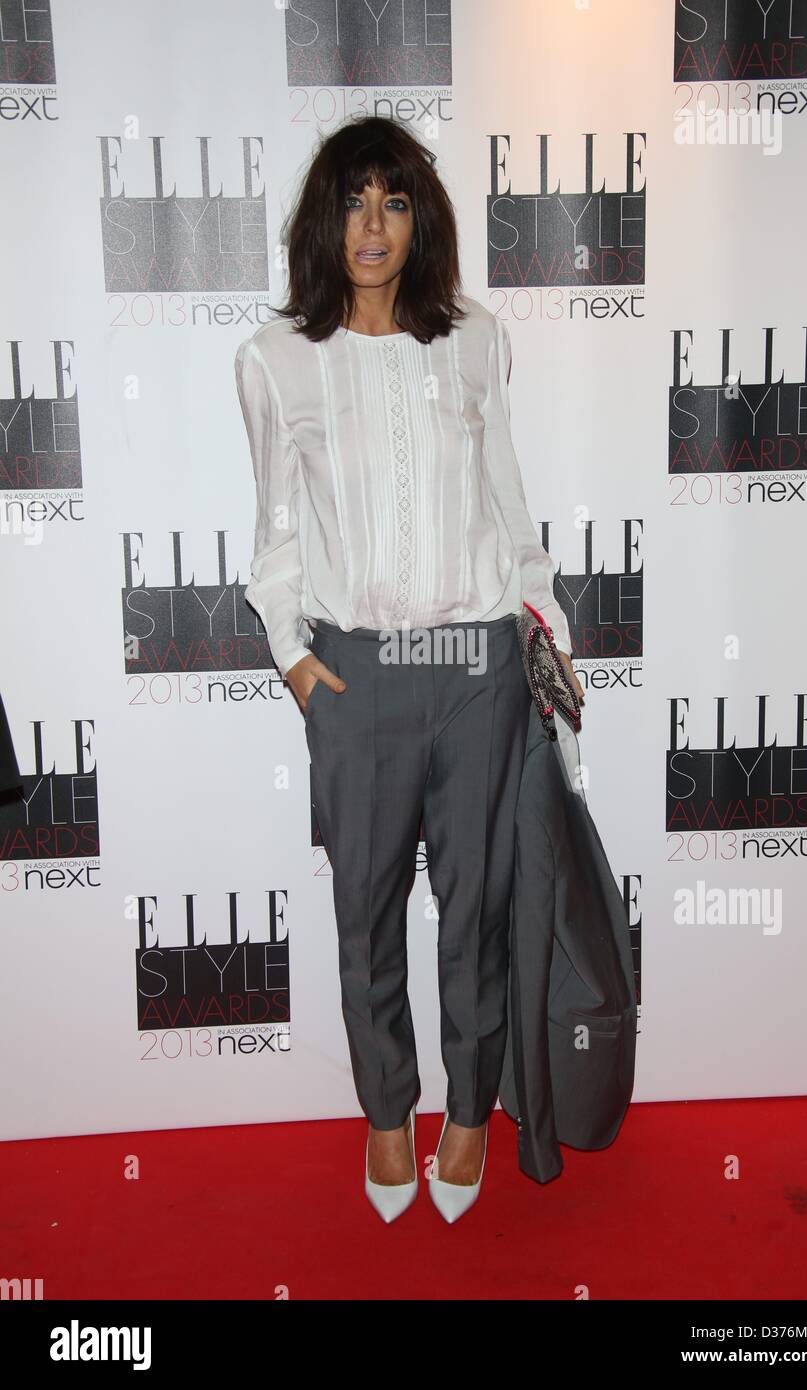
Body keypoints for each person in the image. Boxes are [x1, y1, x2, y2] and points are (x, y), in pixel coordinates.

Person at [235, 114, 584, 1223]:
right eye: (352, 201)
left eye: (393, 201)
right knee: (365, 913)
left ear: (419, 218)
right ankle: (388, 1114)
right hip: (357, 681)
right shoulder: (275, 360)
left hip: (475, 665)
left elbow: (509, 503)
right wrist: (292, 656)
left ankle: (469, 1110)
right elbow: (276, 533)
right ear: (323, 221)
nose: (373, 224)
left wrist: (539, 629)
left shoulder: (473, 339)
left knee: (475, 910)